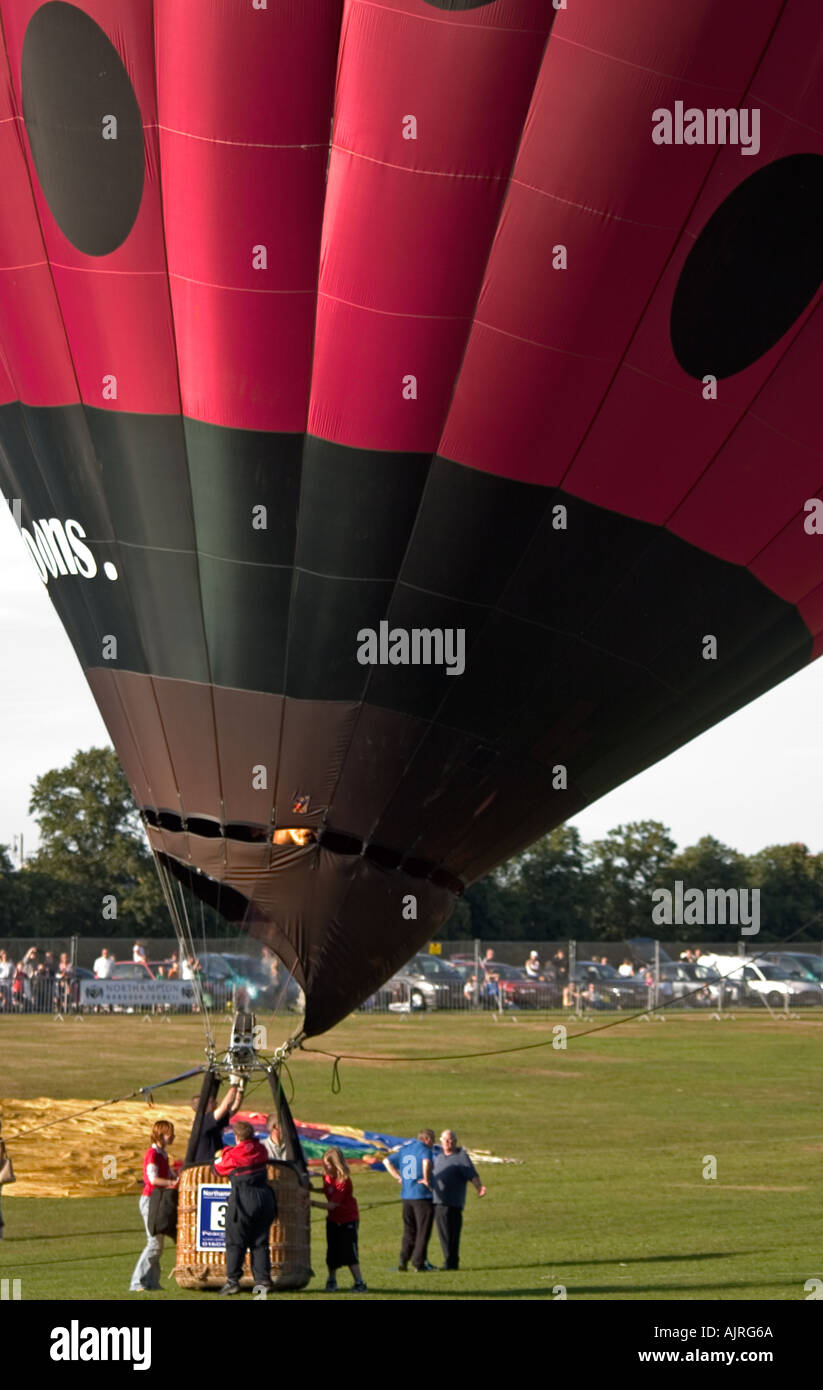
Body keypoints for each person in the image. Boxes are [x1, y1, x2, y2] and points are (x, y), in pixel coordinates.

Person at [213, 1119, 276, 1296]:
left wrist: (224, 1152)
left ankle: (232, 1281)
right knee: (260, 1243)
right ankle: (263, 1281)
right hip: (264, 1199)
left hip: (242, 1201)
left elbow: (217, 1169)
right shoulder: (261, 1149)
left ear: (236, 1136)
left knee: (235, 1242)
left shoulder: (233, 1155)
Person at [129, 1120, 178, 1291]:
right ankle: (137, 1282)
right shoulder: (152, 1154)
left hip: (159, 1200)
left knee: (158, 1244)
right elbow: (152, 1179)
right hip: (151, 1200)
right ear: (161, 1135)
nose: (173, 1136)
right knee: (154, 1243)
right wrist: (172, 1182)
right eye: (170, 1133)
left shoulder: (163, 1154)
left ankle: (152, 1282)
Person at [310, 1148, 367, 1293]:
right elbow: (327, 1190)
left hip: (347, 1219)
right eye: (324, 1164)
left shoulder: (343, 1181)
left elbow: (332, 1205)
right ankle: (332, 1280)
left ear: (336, 1165)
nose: (325, 1167)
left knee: (349, 1252)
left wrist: (312, 1203)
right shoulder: (327, 1177)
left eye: (328, 1165)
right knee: (332, 1252)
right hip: (333, 1219)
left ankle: (359, 1283)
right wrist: (312, 1189)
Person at [432, 1130, 486, 1271]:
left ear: (455, 1142)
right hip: (439, 1200)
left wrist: (479, 1187)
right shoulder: (439, 1156)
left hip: (452, 1202)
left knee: (451, 1233)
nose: (448, 1143)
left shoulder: (461, 1157)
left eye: (451, 1140)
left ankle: (450, 1262)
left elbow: (472, 1174)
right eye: (445, 1140)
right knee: (444, 1234)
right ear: (441, 1141)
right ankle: (450, 1261)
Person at [386, 1128, 435, 1272]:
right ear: (426, 1139)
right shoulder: (424, 1149)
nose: (433, 1143)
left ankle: (403, 1260)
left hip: (406, 1196)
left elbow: (386, 1161)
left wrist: (398, 1177)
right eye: (433, 1140)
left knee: (409, 1230)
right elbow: (426, 1162)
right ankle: (419, 1263)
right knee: (423, 1231)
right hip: (422, 1196)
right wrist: (426, 1179)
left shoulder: (405, 1149)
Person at [188, 1083, 243, 1167]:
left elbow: (233, 1110)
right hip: (205, 1165)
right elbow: (224, 1106)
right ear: (205, 1105)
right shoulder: (203, 1121)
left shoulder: (209, 1120)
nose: (216, 1102)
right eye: (212, 1101)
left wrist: (240, 1092)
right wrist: (234, 1086)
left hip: (214, 1162)